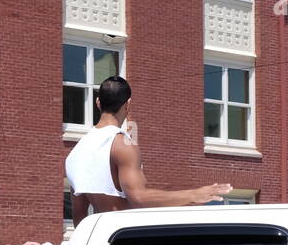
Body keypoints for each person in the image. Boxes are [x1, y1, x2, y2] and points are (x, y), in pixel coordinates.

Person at [66, 75, 232, 225]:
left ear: (98, 103)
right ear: (128, 104)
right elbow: (139, 197)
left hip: (98, 243)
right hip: (123, 241)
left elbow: (79, 215)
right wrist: (194, 195)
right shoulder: (122, 144)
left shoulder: (76, 152)